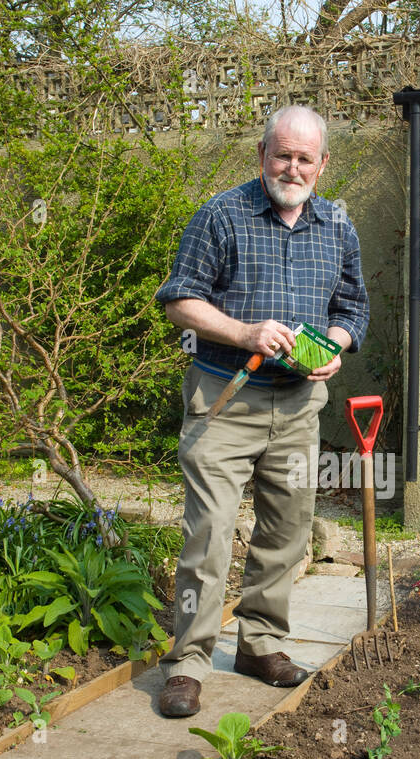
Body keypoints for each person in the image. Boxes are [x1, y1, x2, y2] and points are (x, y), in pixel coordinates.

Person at [153, 104, 370, 717]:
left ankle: (260, 644)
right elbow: (180, 300)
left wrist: (336, 347)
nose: (292, 167)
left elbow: (353, 309)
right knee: (210, 535)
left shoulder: (337, 226)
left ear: (322, 165)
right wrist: (245, 333)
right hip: (224, 397)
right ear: (262, 156)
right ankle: (188, 662)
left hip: (300, 403)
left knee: (287, 530)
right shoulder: (220, 215)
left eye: (305, 158)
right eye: (283, 154)